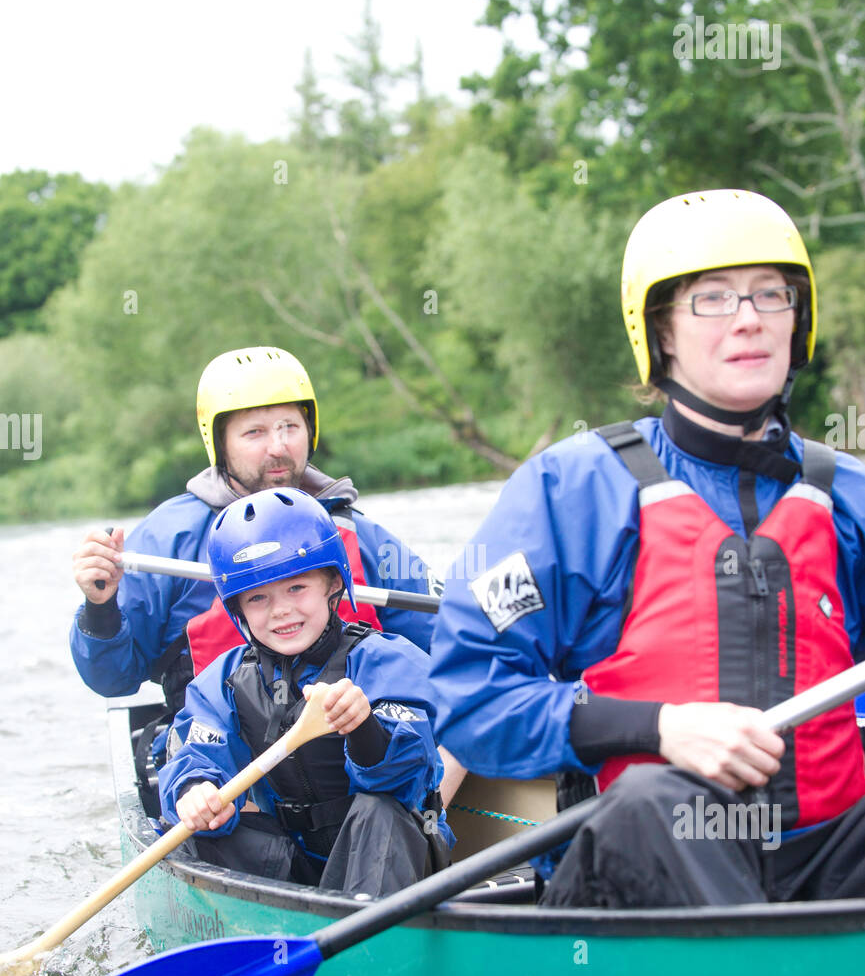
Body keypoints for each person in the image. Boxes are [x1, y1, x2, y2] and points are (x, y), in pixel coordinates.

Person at [430, 188, 865, 908]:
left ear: (799, 319)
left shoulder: (847, 493)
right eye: (713, 299)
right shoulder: (570, 492)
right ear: (659, 332)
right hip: (640, 868)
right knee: (653, 800)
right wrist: (659, 727)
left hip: (824, 866)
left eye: (770, 295)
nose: (749, 319)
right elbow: (470, 702)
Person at [70, 346, 440, 718]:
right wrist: (100, 609)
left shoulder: (353, 532)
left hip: (355, 743)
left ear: (309, 432)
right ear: (220, 444)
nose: (277, 447)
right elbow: (112, 678)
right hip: (219, 749)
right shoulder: (171, 536)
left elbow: (444, 645)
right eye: (255, 433)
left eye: (289, 427)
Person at [159, 487, 454, 895]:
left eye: (297, 588)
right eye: (258, 597)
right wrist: (195, 790)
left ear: (333, 582)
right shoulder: (223, 681)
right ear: (237, 607)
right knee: (196, 830)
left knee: (378, 811)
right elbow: (194, 750)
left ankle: (373, 948)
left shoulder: (386, 661)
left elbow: (409, 777)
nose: (280, 610)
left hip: (391, 863)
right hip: (295, 869)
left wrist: (364, 727)